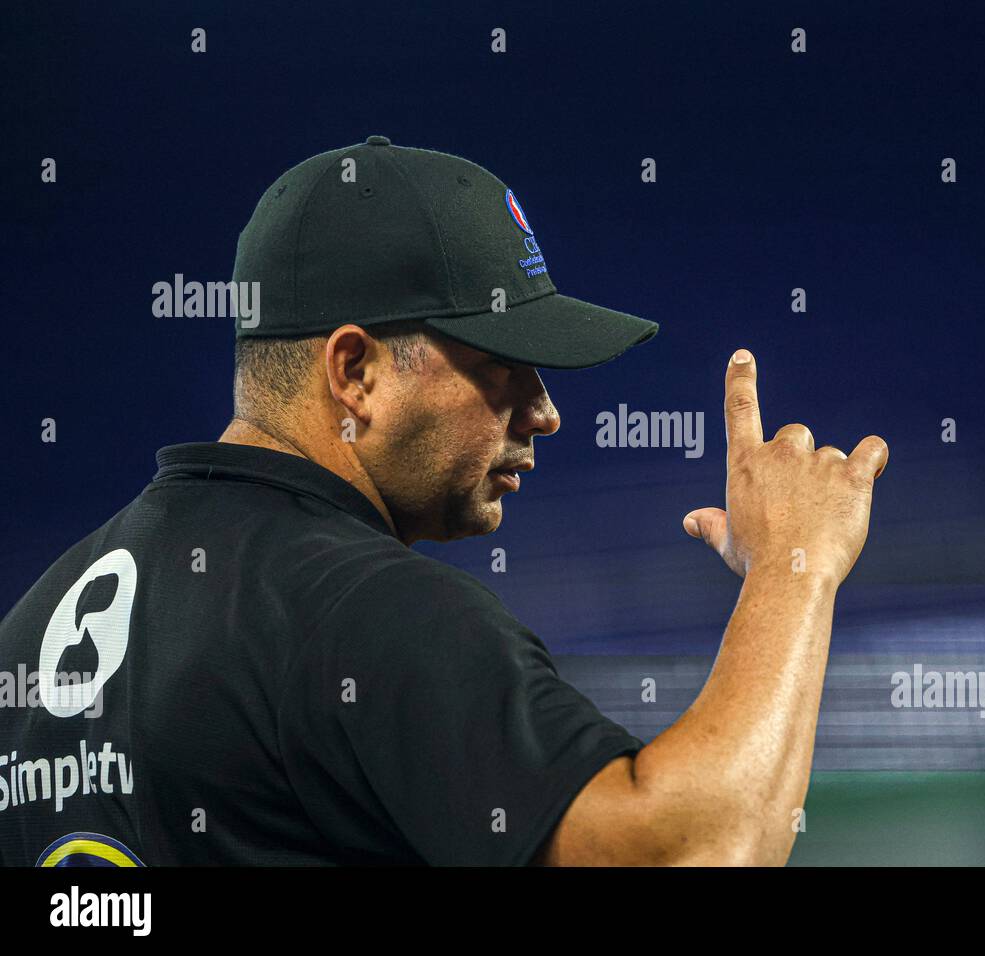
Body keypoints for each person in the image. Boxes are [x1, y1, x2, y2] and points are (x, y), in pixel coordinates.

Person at [0, 139, 887, 866]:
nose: (544, 411)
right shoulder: (356, 608)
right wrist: (793, 566)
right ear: (356, 372)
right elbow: (693, 850)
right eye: (502, 367)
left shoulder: (31, 630)